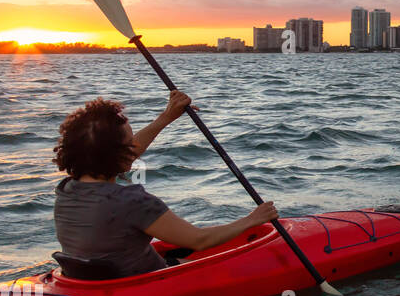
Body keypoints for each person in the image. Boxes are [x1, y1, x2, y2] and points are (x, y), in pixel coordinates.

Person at [52, 91, 278, 278]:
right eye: (129, 143)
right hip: (148, 281)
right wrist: (254, 218)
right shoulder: (132, 202)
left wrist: (166, 117)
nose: (133, 147)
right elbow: (199, 240)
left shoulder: (67, 190)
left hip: (89, 280)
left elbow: (116, 156)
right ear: (117, 155)